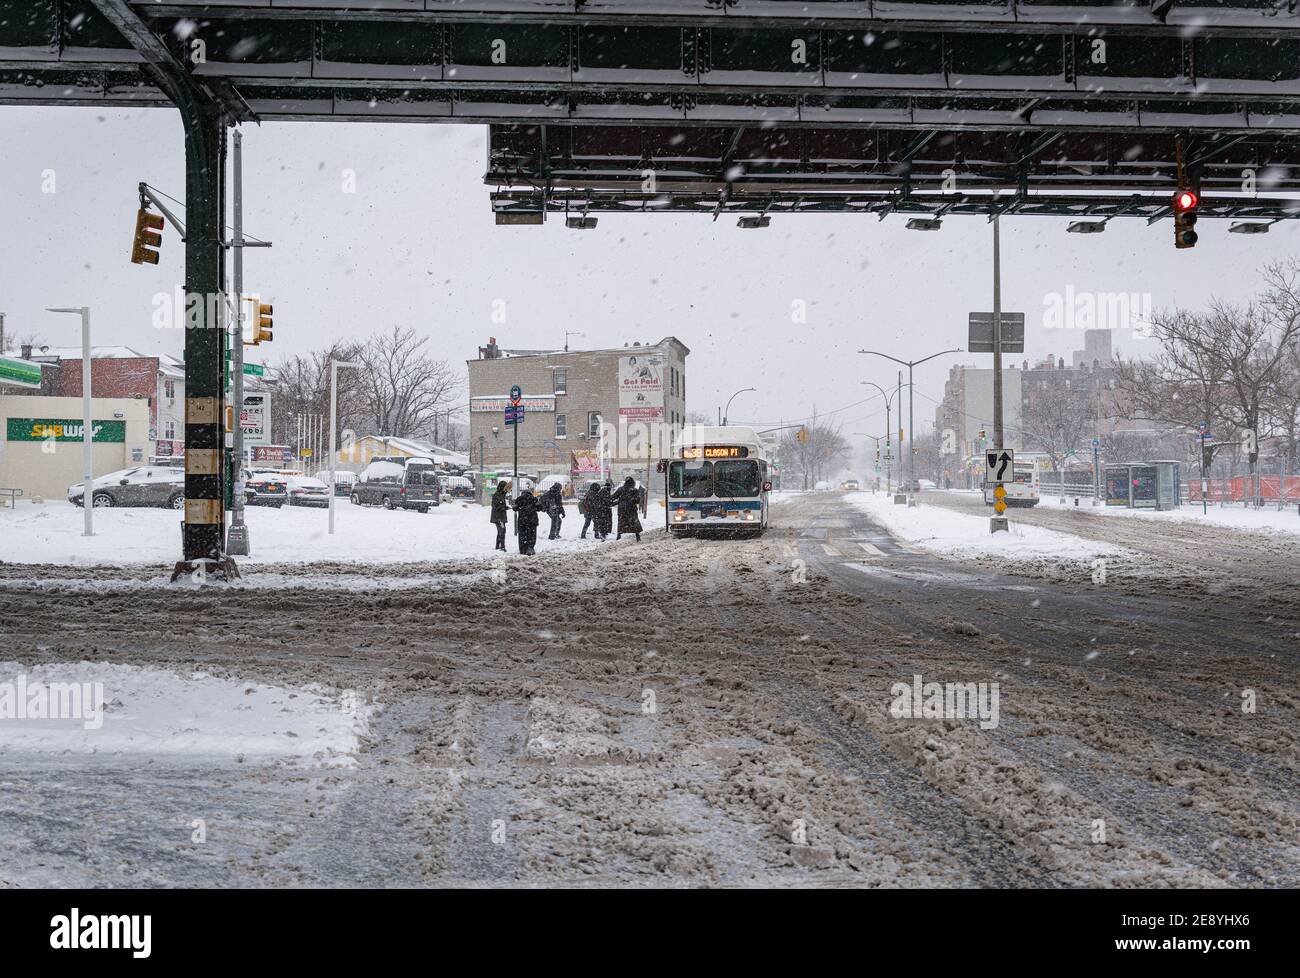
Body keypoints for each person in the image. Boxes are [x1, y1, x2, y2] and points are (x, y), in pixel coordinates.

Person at [611, 476, 643, 542]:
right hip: (631, 509)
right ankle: (637, 536)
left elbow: (613, 497)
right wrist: (633, 500)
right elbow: (637, 500)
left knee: (621, 522)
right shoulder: (634, 490)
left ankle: (619, 535)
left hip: (622, 509)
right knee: (634, 522)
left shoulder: (620, 489)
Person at [512, 486, 540, 556]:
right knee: (532, 535)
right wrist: (533, 507)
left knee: (522, 535)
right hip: (532, 521)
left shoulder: (519, 499)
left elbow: (515, 508)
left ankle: (522, 549)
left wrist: (520, 508)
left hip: (522, 521)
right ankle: (530, 548)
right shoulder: (534, 499)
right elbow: (540, 507)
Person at [489, 480, 510, 551]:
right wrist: (504, 507)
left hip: (500, 516)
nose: (506, 489)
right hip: (498, 517)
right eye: (505, 487)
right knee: (502, 530)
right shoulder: (497, 495)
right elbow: (495, 506)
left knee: (500, 531)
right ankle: (502, 547)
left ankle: (498, 546)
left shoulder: (501, 494)